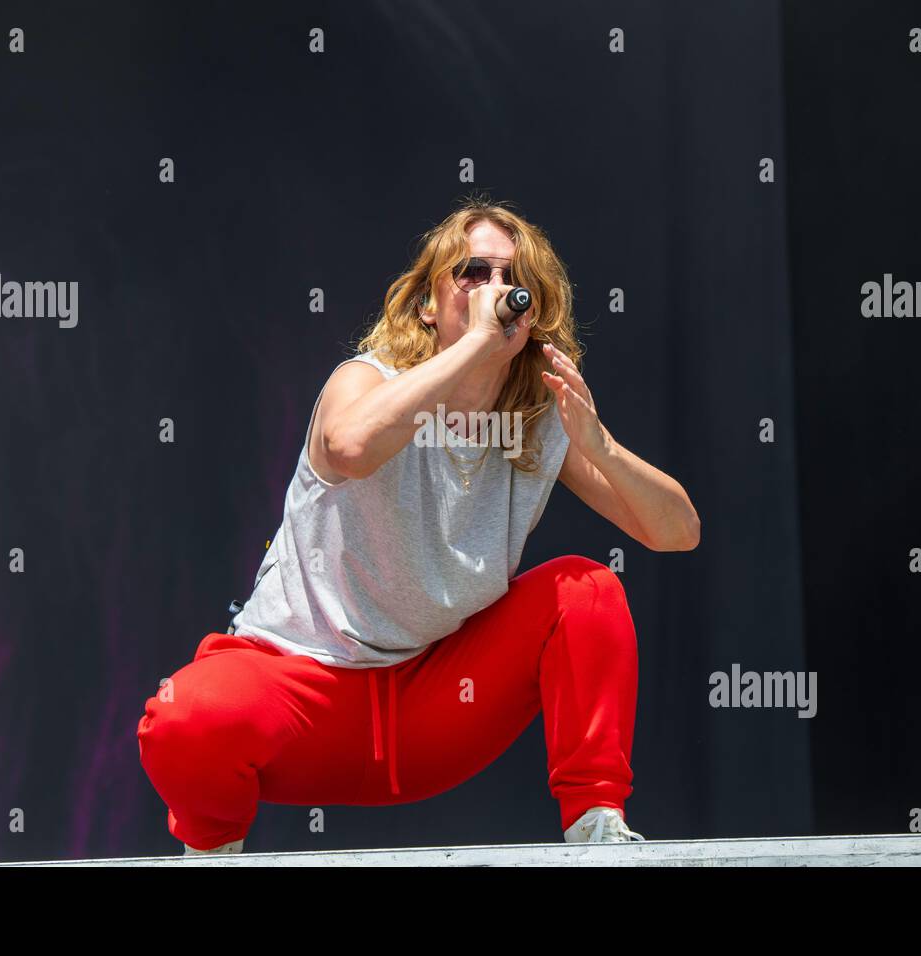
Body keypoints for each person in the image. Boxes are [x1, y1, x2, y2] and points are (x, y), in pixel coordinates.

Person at [136, 197, 701, 855]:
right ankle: (213, 849)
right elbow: (351, 447)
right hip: (305, 701)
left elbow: (677, 531)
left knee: (588, 589)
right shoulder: (364, 380)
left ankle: (596, 826)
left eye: (512, 279)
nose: (496, 291)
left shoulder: (538, 417)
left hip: (439, 707)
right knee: (184, 715)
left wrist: (598, 445)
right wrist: (478, 349)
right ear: (429, 303)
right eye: (472, 272)